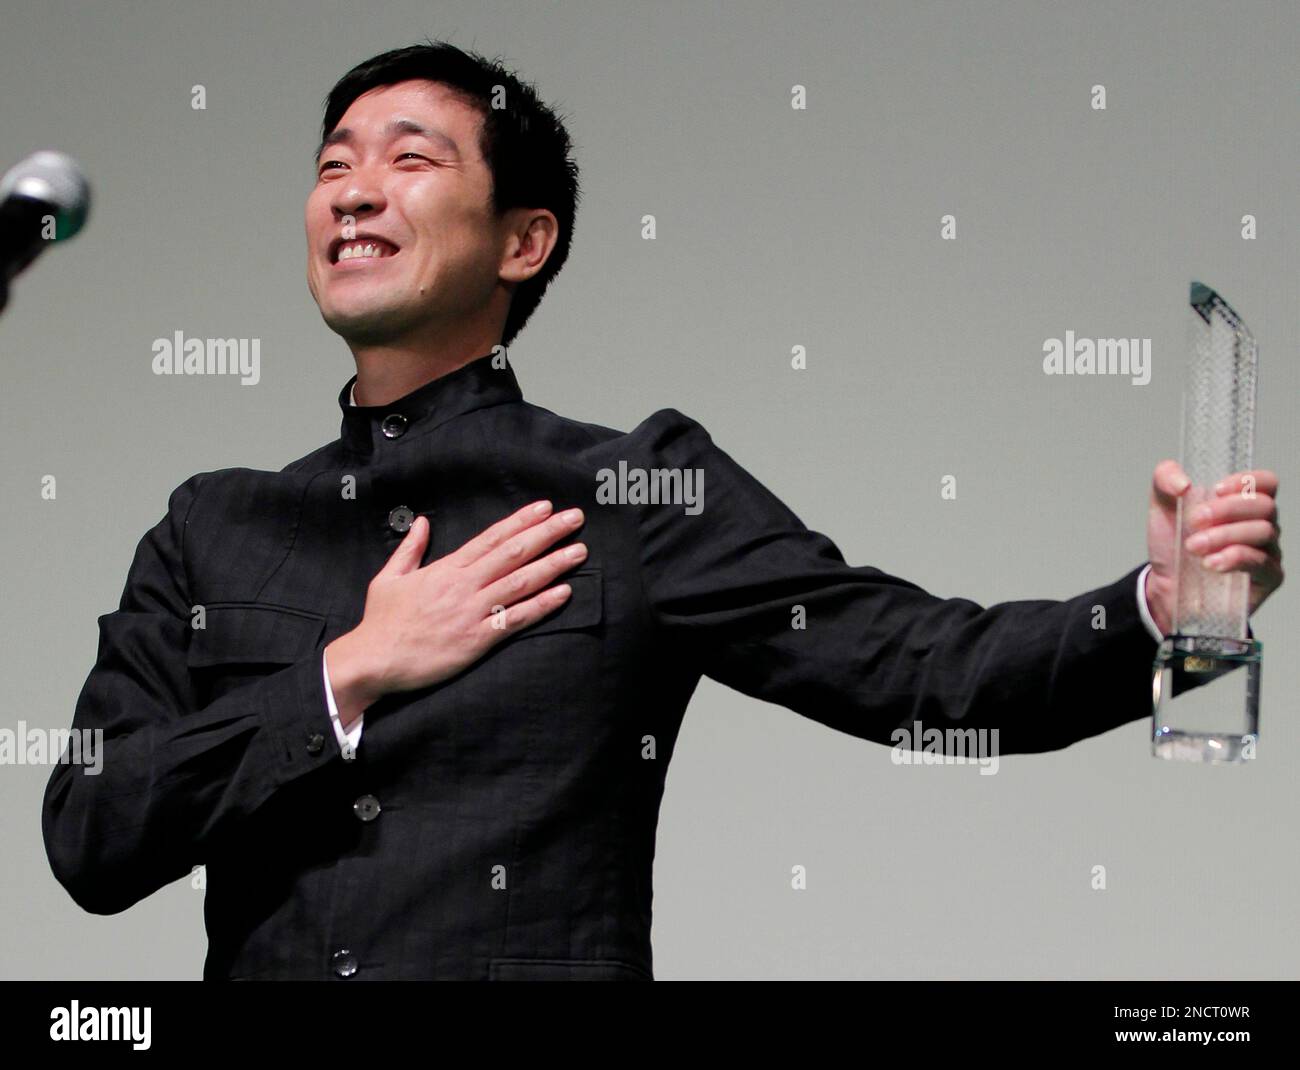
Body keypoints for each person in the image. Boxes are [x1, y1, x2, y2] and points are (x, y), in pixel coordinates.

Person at [42, 41, 1283, 981]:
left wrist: (1153, 612)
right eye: (332, 167)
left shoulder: (632, 492)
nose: (354, 194)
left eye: (410, 160)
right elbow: (93, 830)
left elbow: (926, 670)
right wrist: (348, 675)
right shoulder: (209, 525)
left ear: (523, 241)